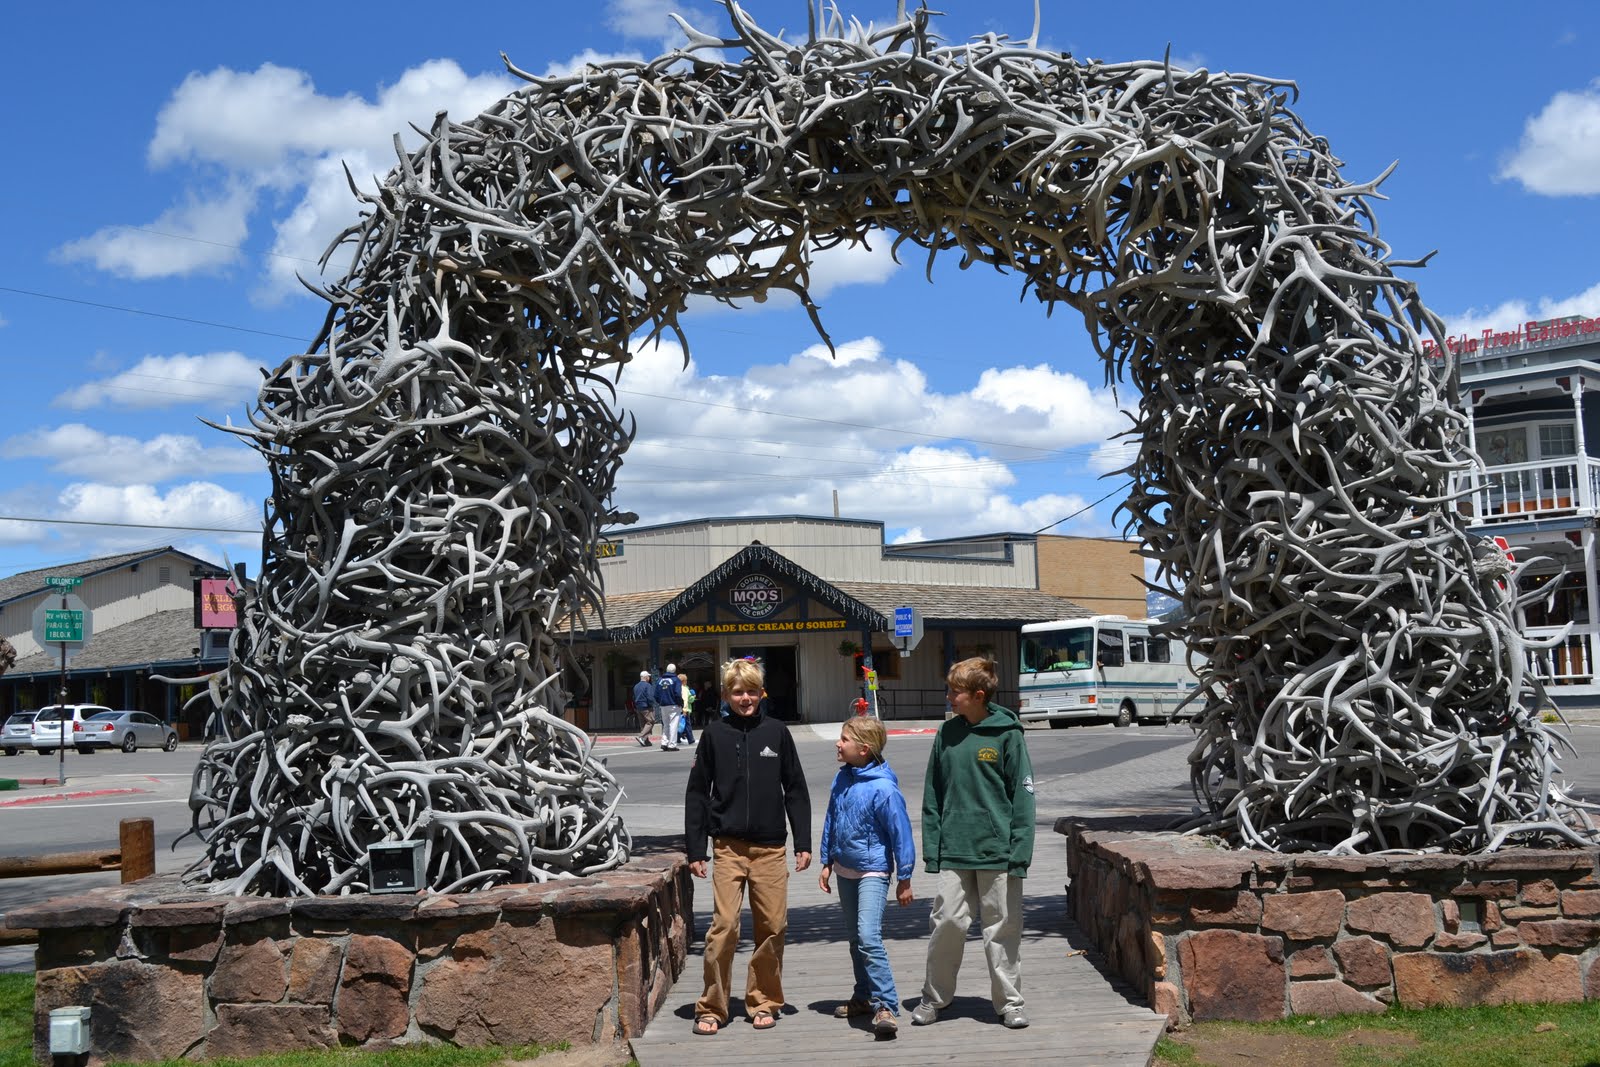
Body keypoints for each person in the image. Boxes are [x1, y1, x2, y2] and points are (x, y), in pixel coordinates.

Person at [685, 656, 812, 1036]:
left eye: (751, 692)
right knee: (723, 927)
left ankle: (764, 1001)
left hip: (770, 848)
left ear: (762, 693)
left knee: (772, 926)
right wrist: (696, 848)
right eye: (738, 692)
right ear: (726, 695)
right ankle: (712, 1006)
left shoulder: (777, 733)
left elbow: (796, 789)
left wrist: (802, 841)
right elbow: (697, 793)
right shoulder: (714, 735)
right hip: (727, 846)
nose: (745, 699)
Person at [911, 657, 1036, 1030]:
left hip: (998, 853)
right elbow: (932, 795)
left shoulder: (1007, 735)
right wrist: (932, 849)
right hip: (954, 849)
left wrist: (1020, 852)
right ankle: (934, 998)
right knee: (947, 922)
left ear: (978, 696)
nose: (948, 697)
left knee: (1002, 928)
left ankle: (1010, 1003)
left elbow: (1023, 797)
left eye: (955, 692)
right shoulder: (946, 735)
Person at [818, 715, 915, 1037]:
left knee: (869, 937)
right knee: (855, 939)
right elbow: (832, 818)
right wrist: (826, 861)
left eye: (844, 739)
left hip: (873, 869)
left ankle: (885, 1005)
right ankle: (862, 996)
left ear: (864, 748)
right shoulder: (842, 778)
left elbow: (901, 833)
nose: (837, 743)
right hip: (845, 868)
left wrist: (905, 877)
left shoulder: (884, 788)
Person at [657, 662, 684, 750]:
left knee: (666, 725)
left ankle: (664, 743)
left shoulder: (660, 680)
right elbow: (677, 693)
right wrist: (680, 703)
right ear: (674, 670)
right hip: (673, 705)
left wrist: (660, 702)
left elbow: (655, 694)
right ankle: (672, 745)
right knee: (673, 725)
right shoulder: (676, 680)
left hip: (663, 705)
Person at [631, 670, 657, 748]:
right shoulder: (647, 685)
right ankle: (641, 736)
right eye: (648, 676)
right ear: (645, 677)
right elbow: (650, 697)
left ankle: (646, 741)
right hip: (646, 706)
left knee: (643, 724)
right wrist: (651, 704)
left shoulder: (636, 686)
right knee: (650, 721)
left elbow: (633, 697)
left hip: (638, 707)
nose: (649, 678)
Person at [678, 673, 696, 745]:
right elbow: (686, 699)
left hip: (678, 709)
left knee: (680, 724)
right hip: (686, 709)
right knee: (687, 725)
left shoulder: (677, 688)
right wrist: (693, 697)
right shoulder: (685, 689)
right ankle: (690, 739)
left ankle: (678, 738)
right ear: (684, 681)